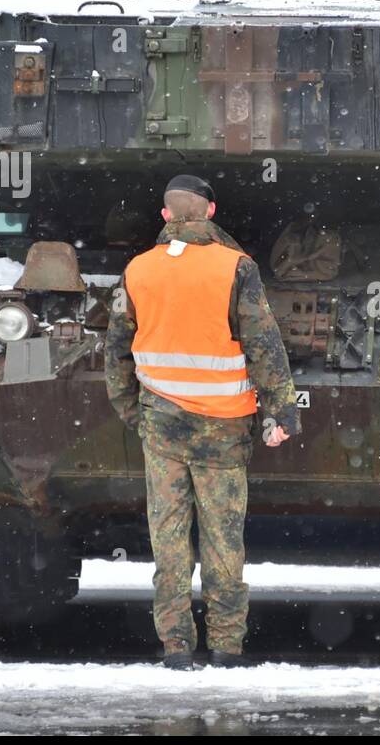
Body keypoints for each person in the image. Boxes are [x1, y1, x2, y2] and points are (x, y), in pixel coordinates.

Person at [105, 174, 300, 670]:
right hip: (224, 429)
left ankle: (175, 647)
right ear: (211, 213)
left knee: (168, 539)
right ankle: (227, 645)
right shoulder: (236, 267)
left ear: (166, 216)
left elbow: (116, 353)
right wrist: (280, 411)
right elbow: (263, 343)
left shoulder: (138, 270)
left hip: (162, 427)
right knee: (223, 539)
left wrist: (137, 413)